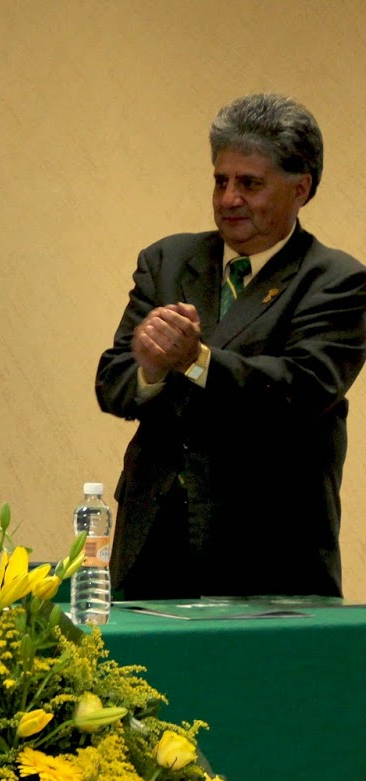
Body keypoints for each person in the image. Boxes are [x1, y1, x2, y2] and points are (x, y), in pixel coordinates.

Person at [96, 93, 366, 600]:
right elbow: (113, 382)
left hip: (270, 551)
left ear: (301, 189)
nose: (228, 199)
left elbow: (302, 389)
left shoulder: (335, 280)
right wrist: (149, 369)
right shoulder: (168, 261)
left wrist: (196, 361)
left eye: (249, 183)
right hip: (154, 544)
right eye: (221, 181)